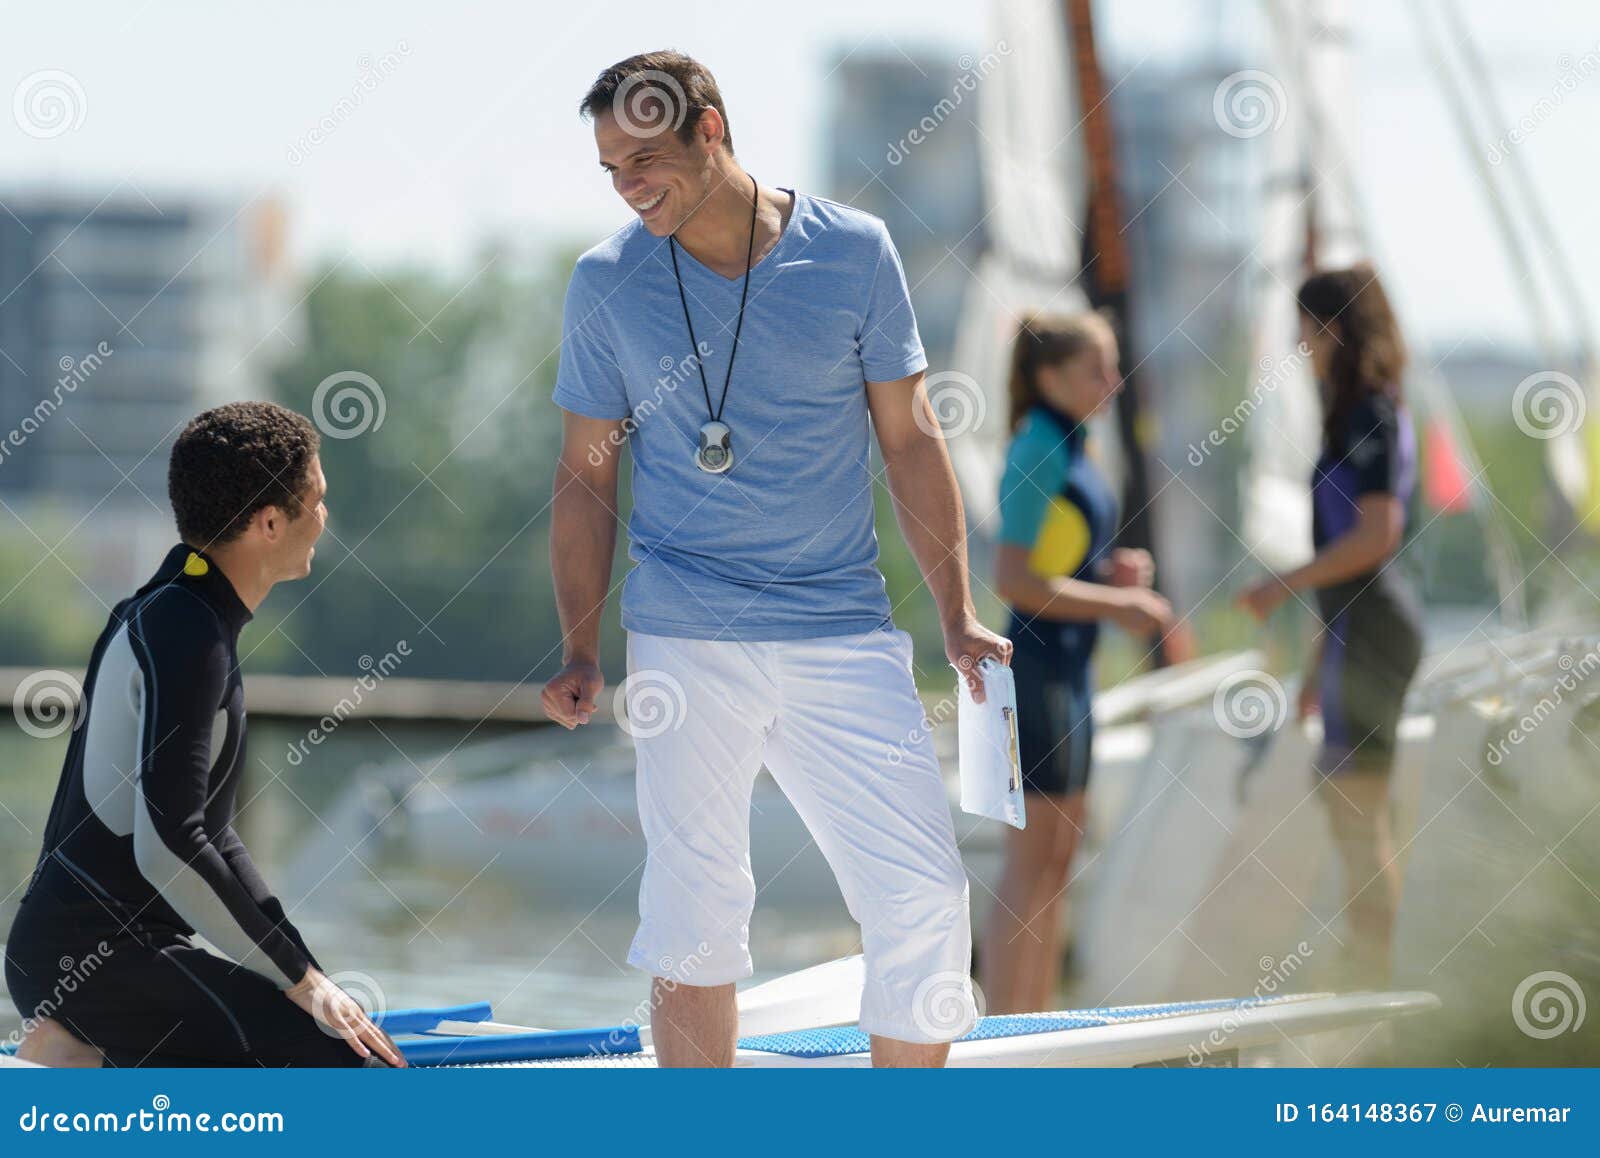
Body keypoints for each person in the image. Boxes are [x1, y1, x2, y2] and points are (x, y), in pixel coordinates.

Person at [540, 51, 1008, 1068]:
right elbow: (584, 478)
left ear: (711, 131)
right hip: (681, 632)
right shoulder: (607, 280)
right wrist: (579, 644)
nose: (630, 185)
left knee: (924, 898)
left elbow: (913, 440)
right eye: (612, 167)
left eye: (647, 158)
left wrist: (956, 611)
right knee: (695, 908)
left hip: (840, 625)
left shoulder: (854, 252)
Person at [4, 402, 404, 1068]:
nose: (325, 517)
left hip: (106, 952)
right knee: (355, 1068)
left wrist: (303, 971)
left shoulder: (181, 608)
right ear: (270, 522)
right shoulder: (186, 629)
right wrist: (301, 981)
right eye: (318, 500)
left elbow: (211, 837)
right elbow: (169, 847)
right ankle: (79, 1051)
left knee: (340, 1035)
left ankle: (85, 1057)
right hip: (94, 957)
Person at [980, 312, 1173, 1014]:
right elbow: (1015, 580)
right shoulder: (1038, 447)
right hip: (1034, 670)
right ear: (1049, 377)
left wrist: (1110, 573)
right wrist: (1119, 608)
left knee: (1060, 857)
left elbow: (1059, 561)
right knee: (1030, 865)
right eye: (1098, 369)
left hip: (1072, 670)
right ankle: (1006, 1030)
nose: (1113, 382)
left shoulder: (1075, 444)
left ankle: (1035, 1026)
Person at [1236, 264, 1422, 988]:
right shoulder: (1352, 410)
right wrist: (1316, 667)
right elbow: (1345, 566)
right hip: (1353, 632)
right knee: (1344, 795)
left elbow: (1376, 538)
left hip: (1376, 631)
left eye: (1305, 329)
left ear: (1333, 329)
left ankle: (1371, 969)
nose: (1299, 344)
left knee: (1356, 805)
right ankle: (1366, 960)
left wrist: (1283, 581)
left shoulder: (1368, 413)